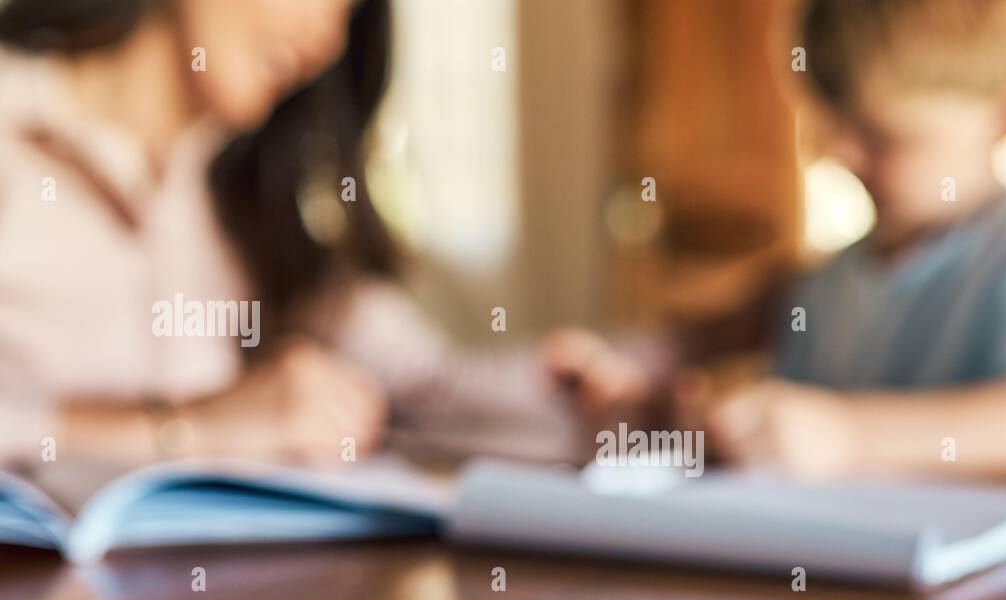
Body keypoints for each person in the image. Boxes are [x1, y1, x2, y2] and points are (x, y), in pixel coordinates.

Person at [546, 0, 1006, 483]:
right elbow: (766, 426)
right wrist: (667, 418)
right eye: (834, 124)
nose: (835, 152)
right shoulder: (826, 283)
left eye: (878, 135)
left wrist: (847, 434)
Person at [0, 0, 580, 471]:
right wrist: (191, 426)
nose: (326, 40)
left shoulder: (249, 197)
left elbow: (428, 384)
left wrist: (613, 402)